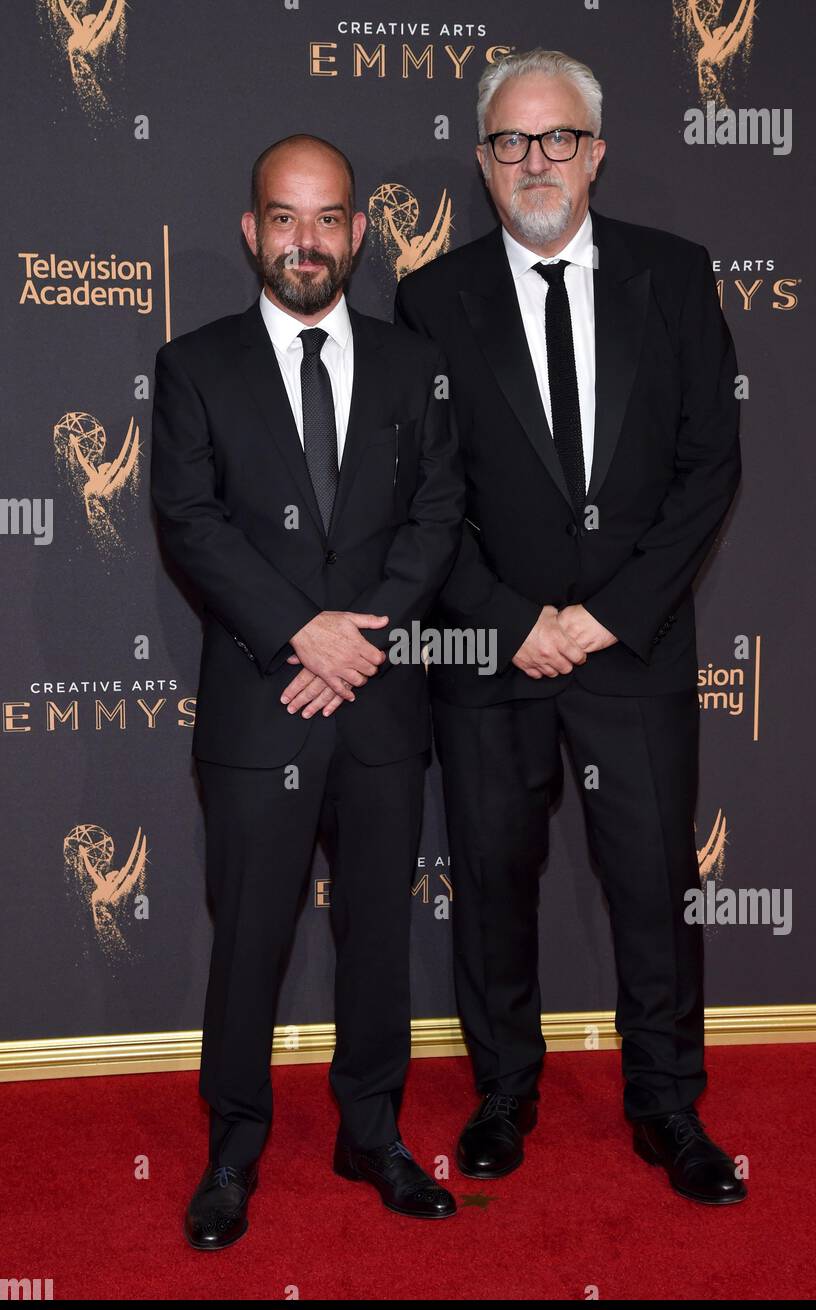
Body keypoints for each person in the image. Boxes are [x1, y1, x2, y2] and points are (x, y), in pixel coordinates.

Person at [394, 48, 746, 1204]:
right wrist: (515, 623)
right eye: (508, 142)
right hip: (493, 656)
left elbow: (707, 469)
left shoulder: (676, 275)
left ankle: (666, 1106)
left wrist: (600, 616)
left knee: (653, 882)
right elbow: (426, 498)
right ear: (484, 160)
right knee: (494, 882)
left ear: (595, 153)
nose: (533, 161)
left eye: (556, 140)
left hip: (631, 650)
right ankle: (503, 1095)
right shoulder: (431, 299)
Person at [150, 133, 464, 1248]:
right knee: (249, 942)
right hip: (257, 705)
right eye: (284, 218)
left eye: (328, 218)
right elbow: (188, 521)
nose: (306, 240)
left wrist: (357, 643)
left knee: (378, 932)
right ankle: (232, 1151)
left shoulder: (410, 364)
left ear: (358, 235)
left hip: (377, 703)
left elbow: (437, 516)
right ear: (252, 233)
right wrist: (300, 634)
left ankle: (369, 1132)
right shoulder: (193, 366)